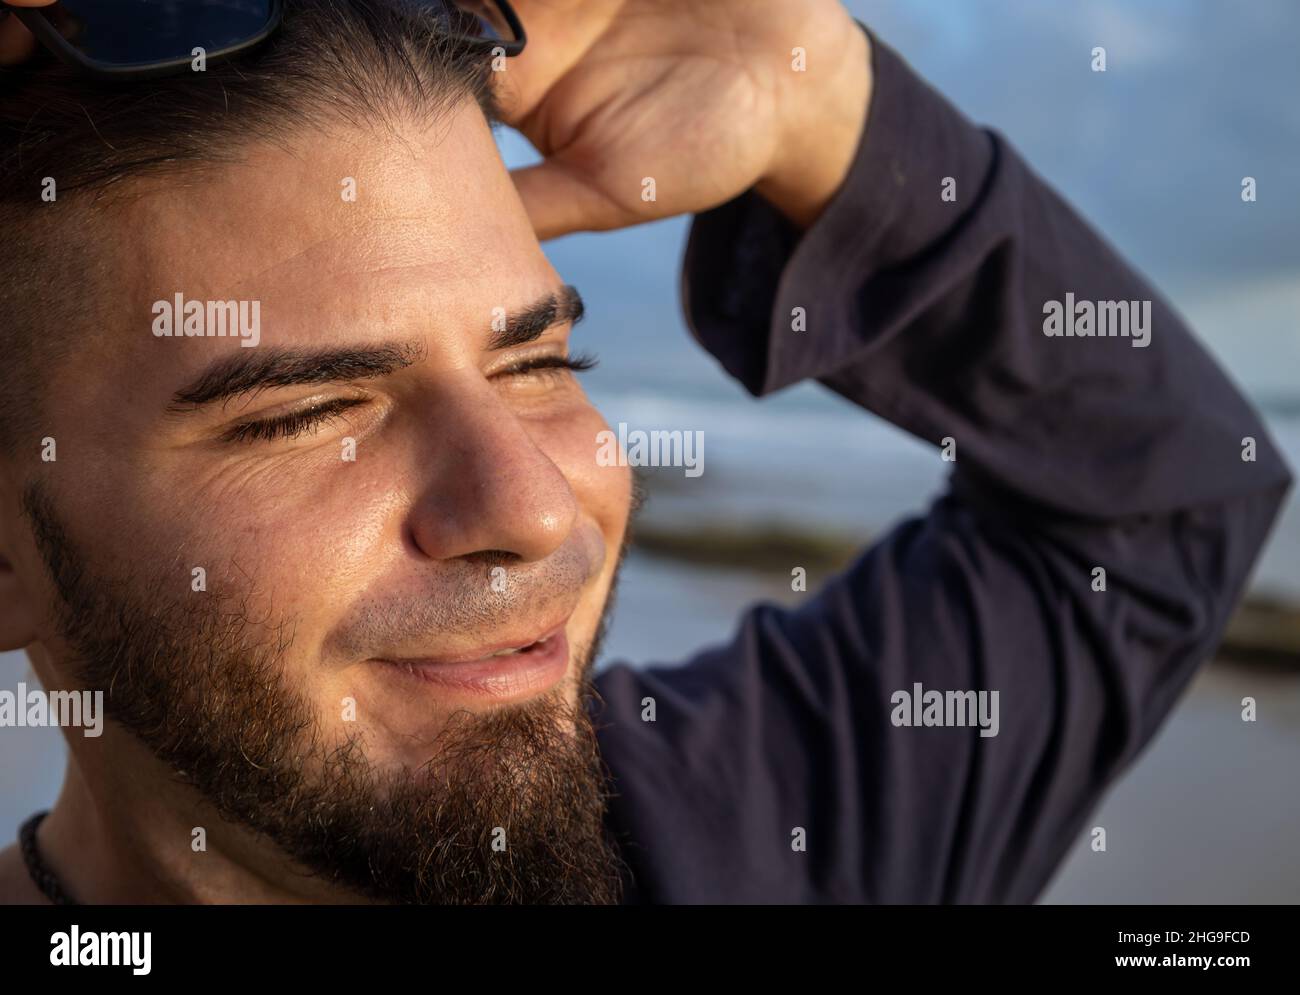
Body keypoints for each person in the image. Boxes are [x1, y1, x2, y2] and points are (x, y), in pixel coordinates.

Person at [0, 0, 1290, 904]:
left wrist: (829, 116)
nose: (533, 507)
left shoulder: (773, 827)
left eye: (539, 364)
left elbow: (1159, 503)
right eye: (304, 414)